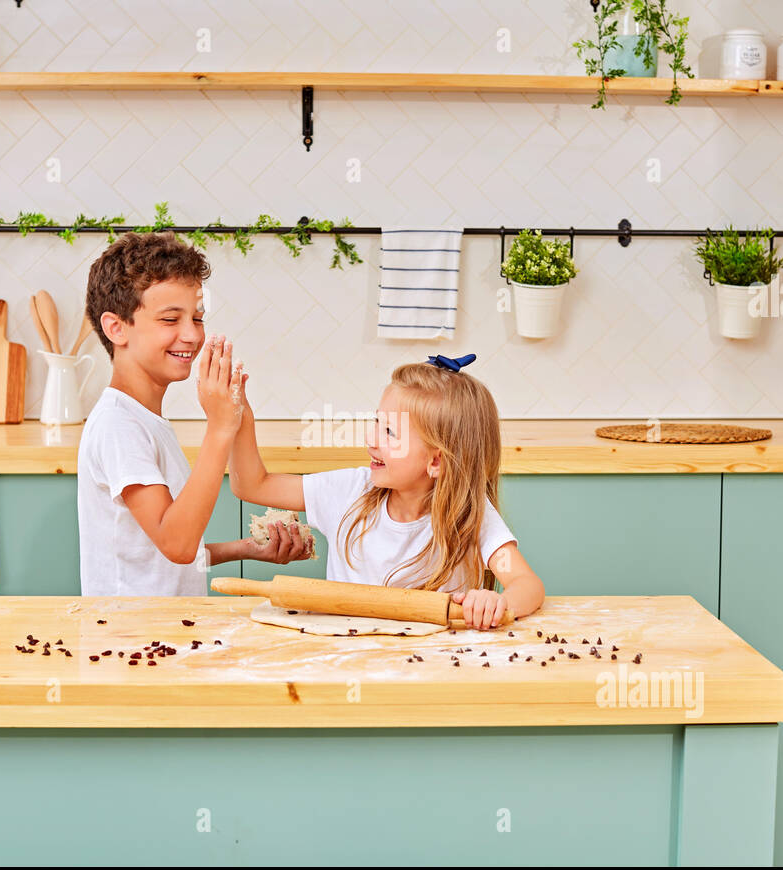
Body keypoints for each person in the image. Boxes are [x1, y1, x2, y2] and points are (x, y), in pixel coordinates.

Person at [229, 354, 544, 628]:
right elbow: (252, 484)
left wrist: (497, 604)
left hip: (432, 666)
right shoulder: (348, 492)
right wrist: (240, 418)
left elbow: (526, 583)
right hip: (348, 659)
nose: (372, 439)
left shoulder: (469, 516)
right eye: (377, 423)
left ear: (436, 461)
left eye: (390, 432)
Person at [77, 230, 311, 597]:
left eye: (197, 318)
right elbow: (177, 544)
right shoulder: (118, 425)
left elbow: (158, 553)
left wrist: (248, 549)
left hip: (157, 636)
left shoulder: (143, 419)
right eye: (171, 320)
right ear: (116, 328)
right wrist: (219, 429)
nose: (191, 335)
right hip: (130, 645)